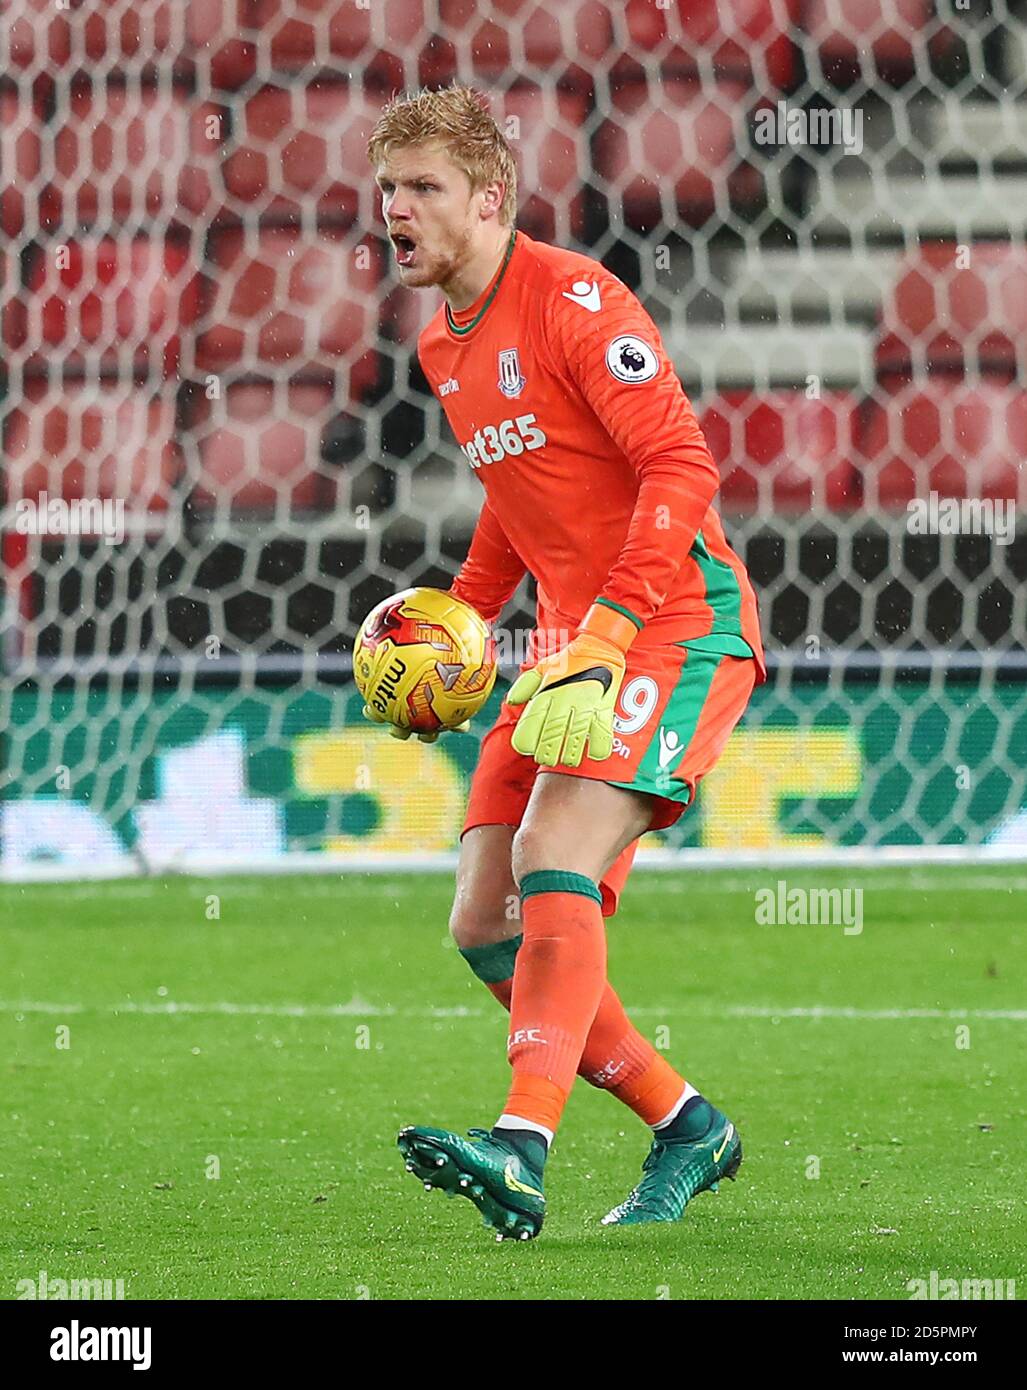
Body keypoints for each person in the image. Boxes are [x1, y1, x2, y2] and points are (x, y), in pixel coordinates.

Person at [365, 85, 765, 1241]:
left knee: (554, 849)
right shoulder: (444, 337)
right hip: (563, 650)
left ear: (490, 199)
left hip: (672, 624)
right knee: (482, 921)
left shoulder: (576, 298)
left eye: (424, 188)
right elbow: (514, 500)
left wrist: (600, 635)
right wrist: (460, 628)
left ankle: (520, 1148)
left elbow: (680, 465)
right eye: (389, 188)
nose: (397, 209)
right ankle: (686, 1123)